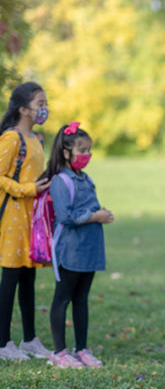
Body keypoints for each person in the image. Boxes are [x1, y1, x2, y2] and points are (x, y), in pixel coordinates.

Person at [43, 121, 114, 368]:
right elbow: (66, 216)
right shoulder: (61, 181)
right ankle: (59, 352)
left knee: (81, 298)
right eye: (82, 150)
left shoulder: (86, 179)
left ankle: (81, 348)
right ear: (66, 153)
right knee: (62, 298)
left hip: (89, 249)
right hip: (70, 250)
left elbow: (89, 207)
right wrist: (95, 217)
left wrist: (101, 212)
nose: (87, 155)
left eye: (88, 150)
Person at [0, 82, 52, 361]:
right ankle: (3, 343)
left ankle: (29, 339)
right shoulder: (12, 139)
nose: (44, 109)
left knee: (28, 278)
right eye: (39, 104)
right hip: (12, 218)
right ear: (23, 109)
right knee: (9, 279)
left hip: (33, 220)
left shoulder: (37, 140)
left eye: (45, 103)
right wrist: (29, 189)